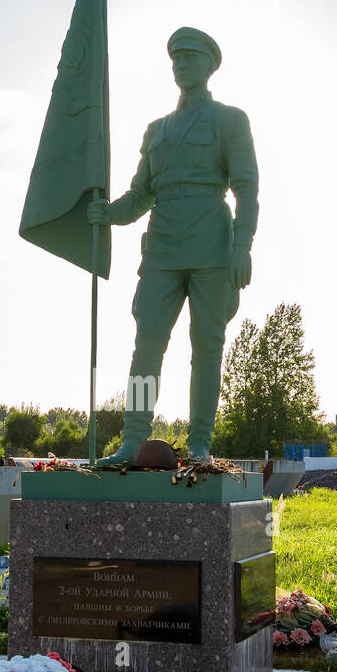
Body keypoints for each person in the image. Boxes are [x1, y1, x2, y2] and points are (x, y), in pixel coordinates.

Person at [87, 27, 258, 463]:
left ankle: (200, 442)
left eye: (190, 58)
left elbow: (247, 189)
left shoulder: (230, 120)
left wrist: (242, 247)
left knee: (207, 345)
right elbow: (140, 194)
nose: (182, 65)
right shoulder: (157, 130)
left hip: (212, 244)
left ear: (209, 66)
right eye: (176, 59)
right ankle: (132, 440)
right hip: (163, 245)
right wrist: (107, 212)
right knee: (147, 342)